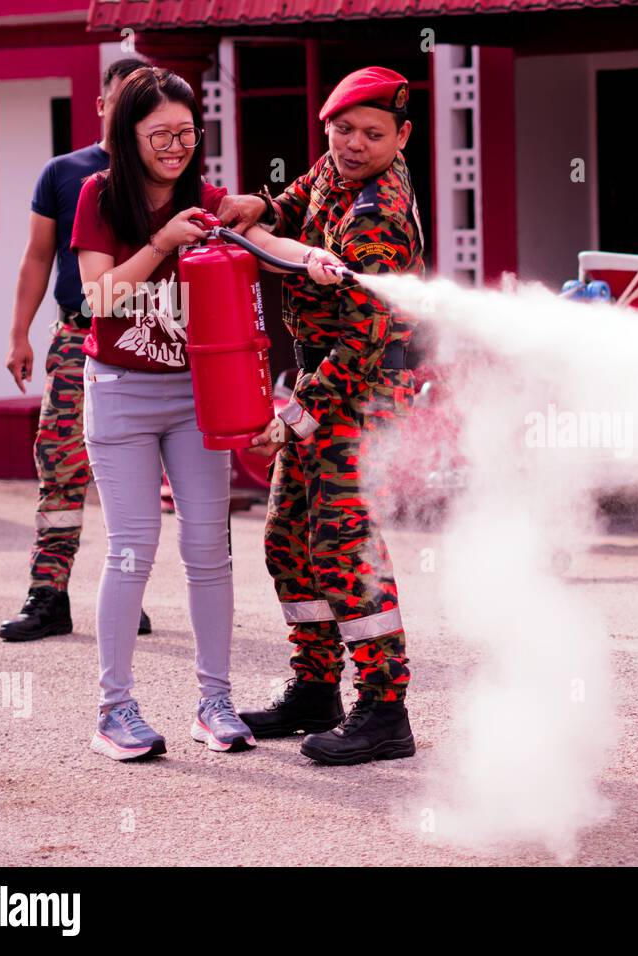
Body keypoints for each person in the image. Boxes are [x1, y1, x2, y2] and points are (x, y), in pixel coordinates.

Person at [72, 66, 342, 761]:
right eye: (159, 134)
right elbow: (97, 300)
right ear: (126, 134)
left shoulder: (208, 198)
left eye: (187, 134)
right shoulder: (98, 197)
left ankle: (214, 704)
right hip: (122, 394)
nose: (175, 147)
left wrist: (310, 257)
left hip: (198, 398)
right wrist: (162, 245)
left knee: (209, 552)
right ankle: (115, 711)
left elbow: (264, 246)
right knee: (131, 552)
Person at [222, 66, 425, 766]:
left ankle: (384, 709)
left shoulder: (379, 214)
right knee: (286, 537)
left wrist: (298, 413)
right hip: (322, 375)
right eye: (343, 129)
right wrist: (258, 207)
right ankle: (314, 688)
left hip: (361, 390)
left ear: (402, 137)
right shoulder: (331, 171)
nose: (354, 143)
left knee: (343, 545)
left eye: (373, 133)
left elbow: (367, 336)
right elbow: (292, 201)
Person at [0, 57, 154, 643]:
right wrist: (19, 333)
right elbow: (38, 256)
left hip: (148, 337)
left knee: (130, 476)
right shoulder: (64, 173)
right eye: (124, 102)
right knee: (61, 466)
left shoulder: (164, 172)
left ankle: (126, 592)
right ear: (102, 106)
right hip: (78, 339)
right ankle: (48, 596)